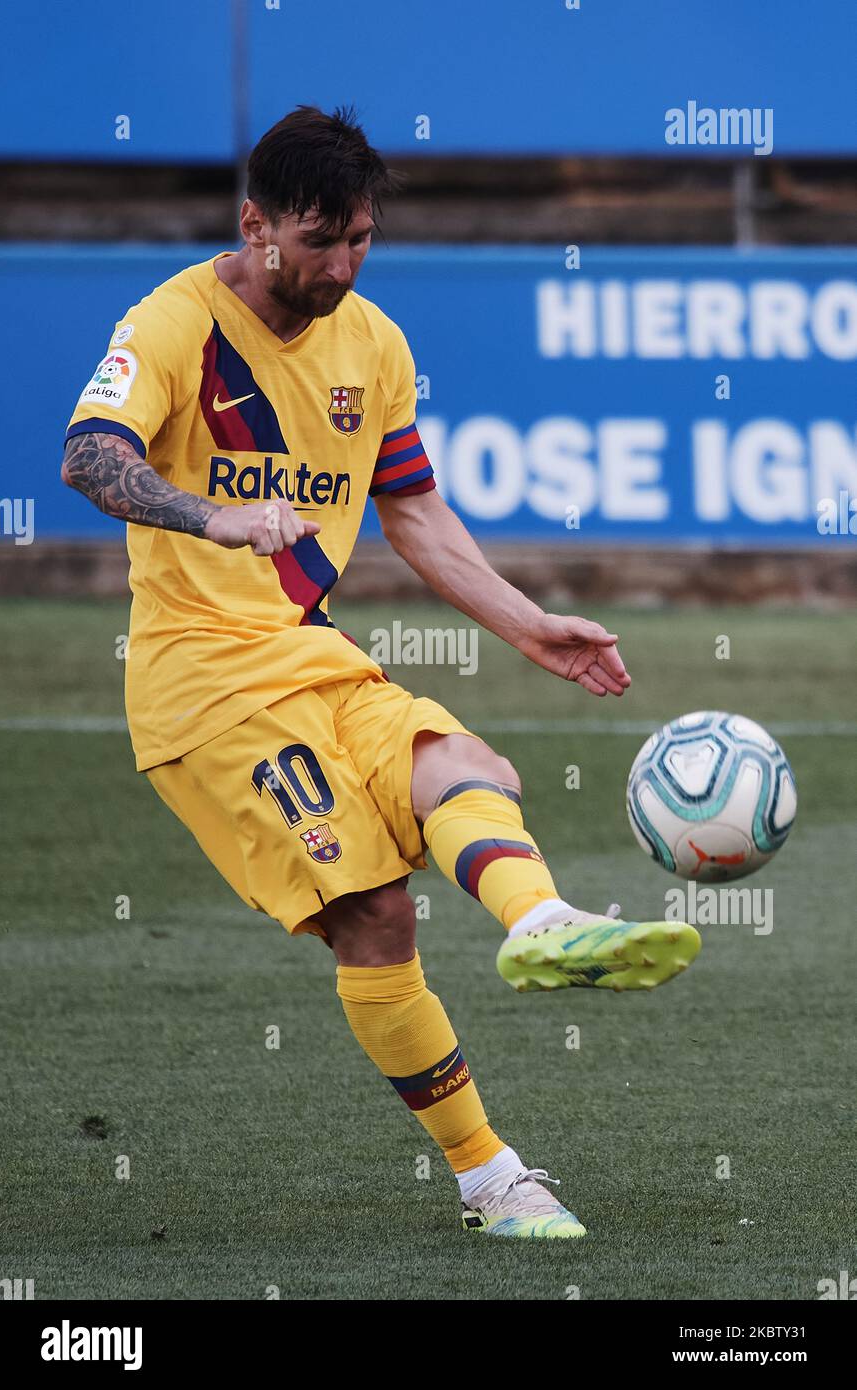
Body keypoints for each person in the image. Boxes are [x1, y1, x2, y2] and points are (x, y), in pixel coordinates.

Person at [62, 105, 699, 1239]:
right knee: (375, 914)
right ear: (254, 225)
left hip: (309, 655)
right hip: (201, 690)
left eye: (360, 239)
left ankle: (542, 919)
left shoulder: (375, 343)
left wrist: (524, 624)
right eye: (319, 242)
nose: (342, 266)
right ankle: (490, 1177)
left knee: (464, 760)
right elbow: (88, 454)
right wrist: (206, 514)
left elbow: (412, 507)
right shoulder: (171, 325)